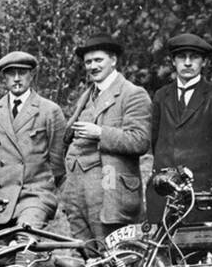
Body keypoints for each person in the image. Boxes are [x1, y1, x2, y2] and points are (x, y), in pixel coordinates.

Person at [147, 32, 212, 223]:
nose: (187, 63)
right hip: (163, 195)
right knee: (159, 252)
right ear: (173, 61)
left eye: (194, 57)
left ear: (204, 62)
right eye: (181, 57)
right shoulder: (161, 96)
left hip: (201, 194)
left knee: (198, 250)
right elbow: (154, 142)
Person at [62, 33, 152, 244]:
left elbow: (140, 140)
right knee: (86, 257)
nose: (93, 66)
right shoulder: (87, 95)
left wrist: (100, 133)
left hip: (110, 190)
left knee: (114, 258)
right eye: (88, 62)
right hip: (76, 192)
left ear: (113, 60)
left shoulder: (132, 94)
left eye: (98, 60)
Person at [0, 51, 67, 229]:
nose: (17, 79)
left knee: (25, 246)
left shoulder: (49, 111)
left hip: (34, 193)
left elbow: (57, 162)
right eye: (11, 73)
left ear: (32, 75)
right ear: (4, 77)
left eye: (22, 73)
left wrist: (42, 184)